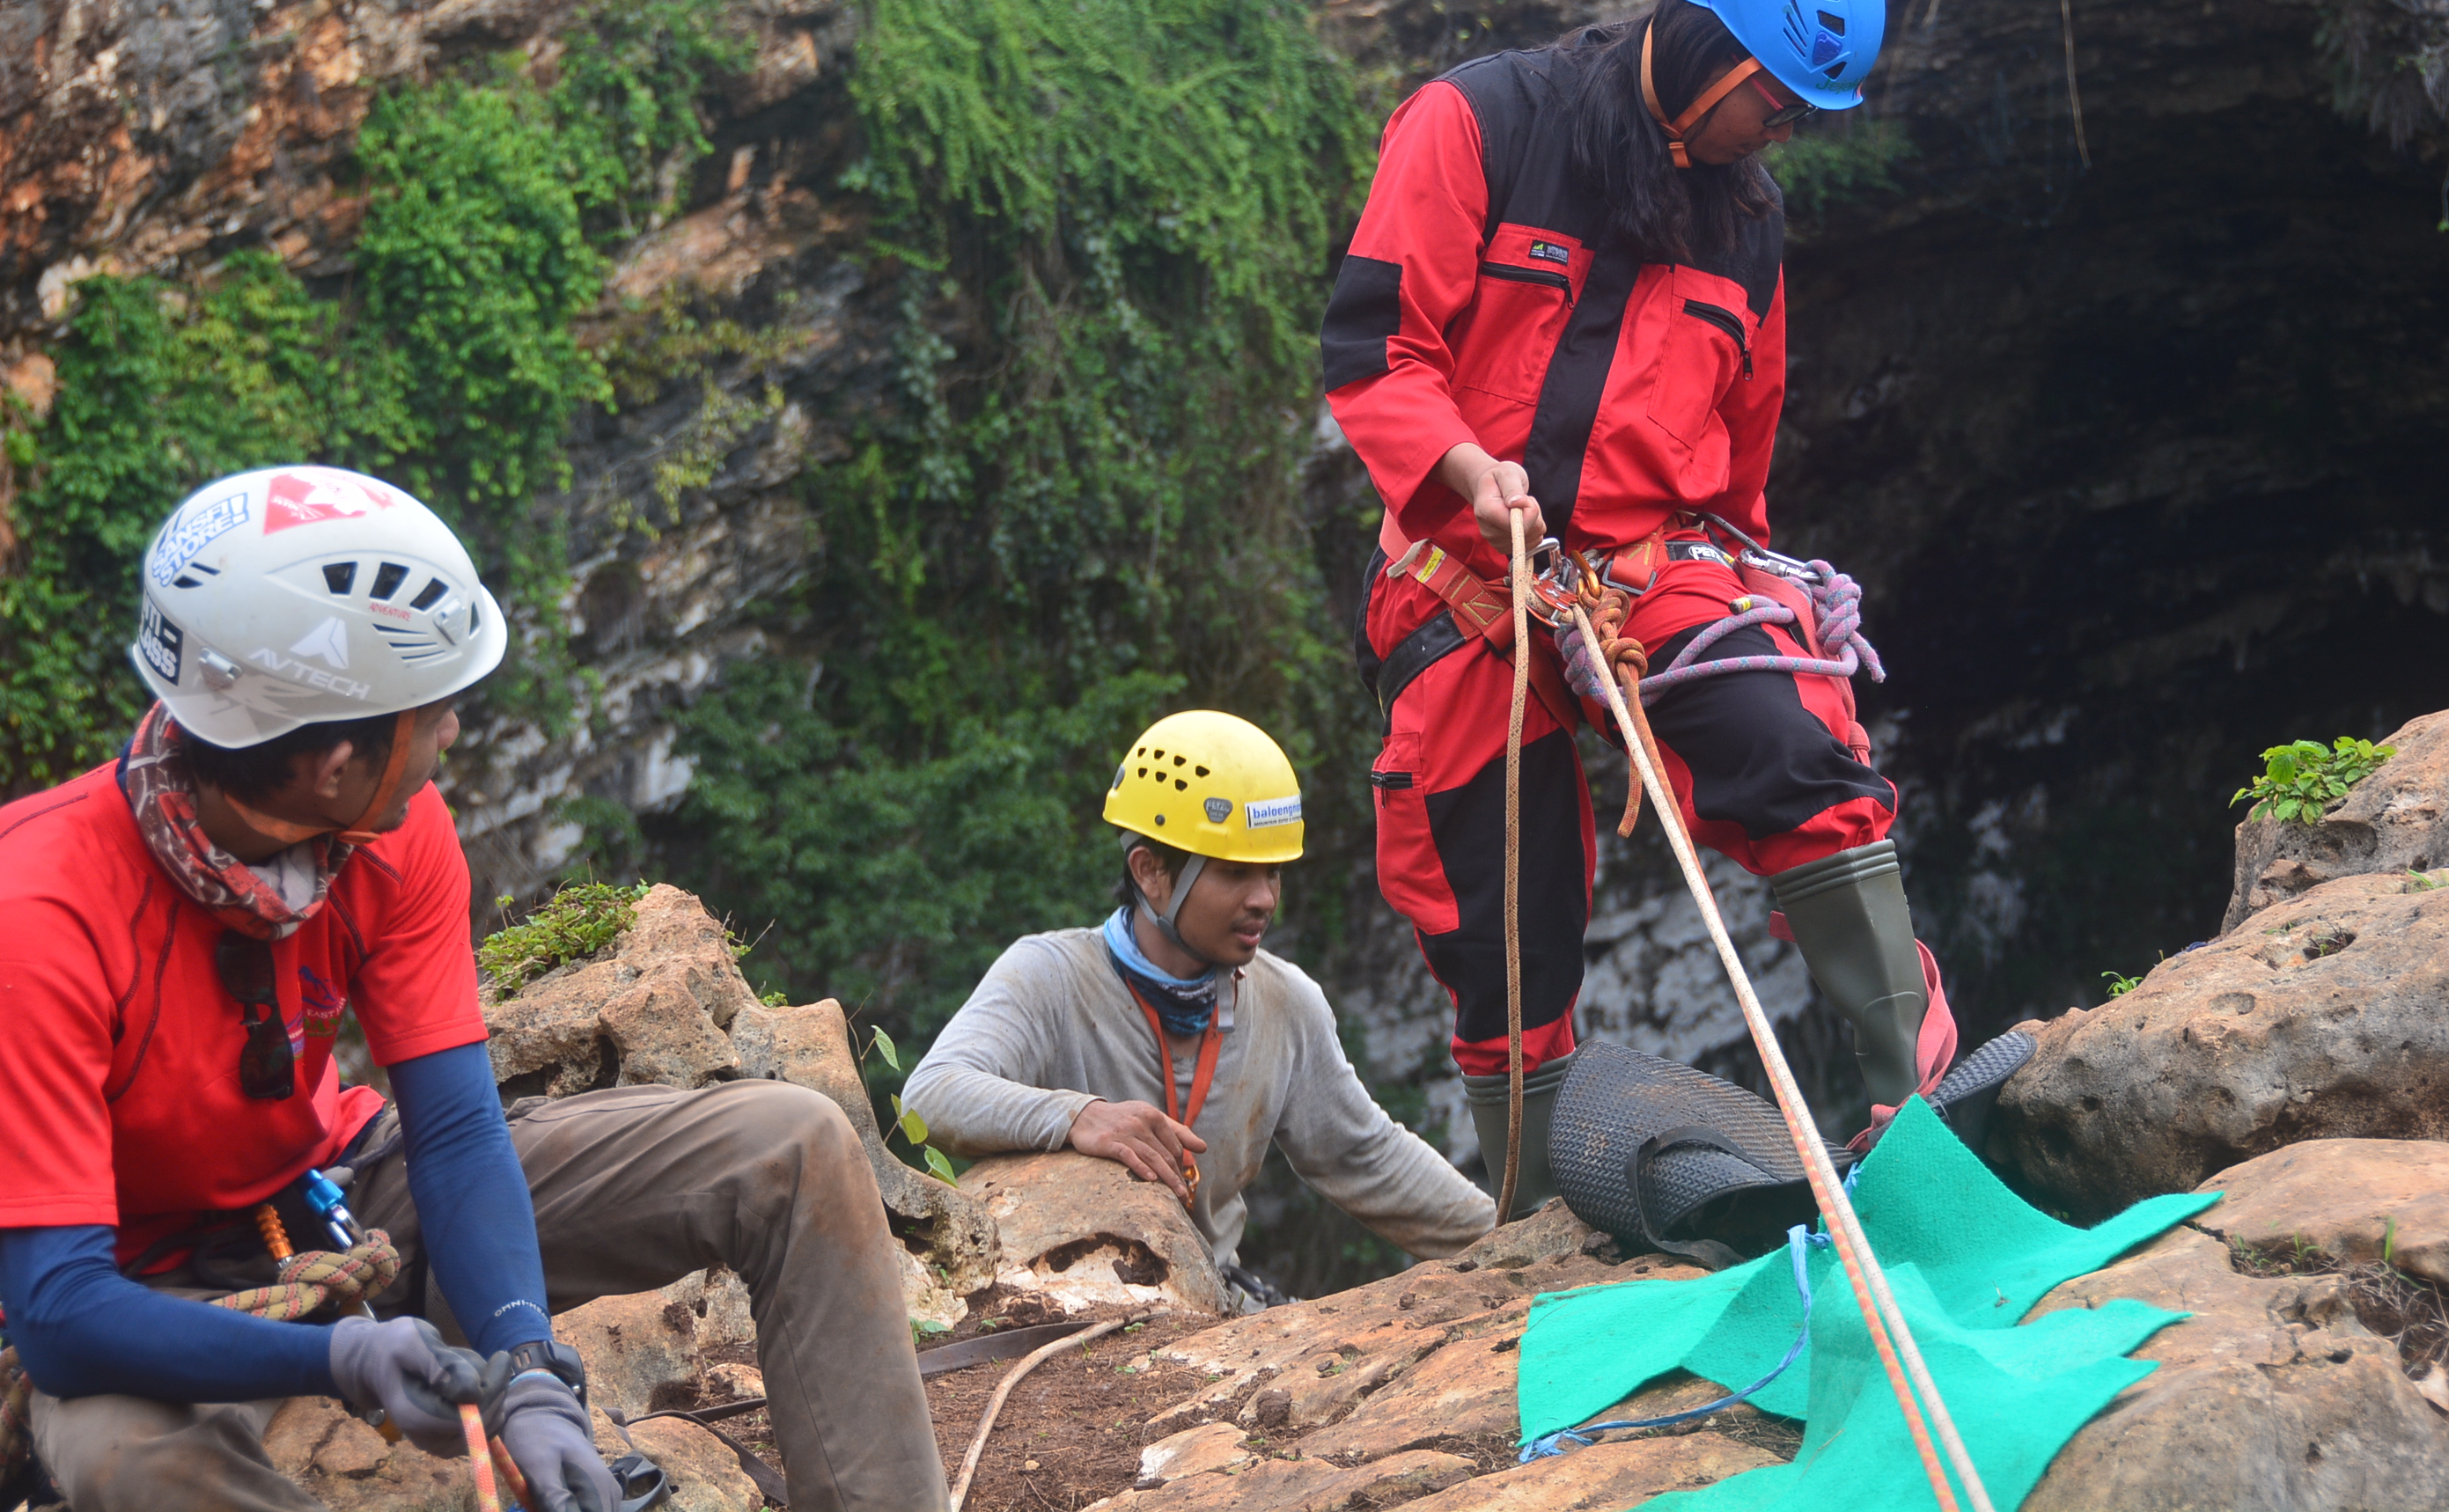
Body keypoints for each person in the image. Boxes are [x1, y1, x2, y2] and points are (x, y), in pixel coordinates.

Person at [0, 466, 946, 1512]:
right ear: (330, 760)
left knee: (792, 1146)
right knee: (138, 1462)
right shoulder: (38, 911)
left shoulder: (392, 834)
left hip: (336, 1194)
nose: (451, 731)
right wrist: (336, 1365)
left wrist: (527, 1366)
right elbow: (59, 1309)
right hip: (140, 1284)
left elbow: (453, 1131)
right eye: (432, 707)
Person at [1323, 0, 1993, 1214]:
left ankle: (1906, 1084)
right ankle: (1537, 1208)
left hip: (1638, 560)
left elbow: (1737, 476)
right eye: (1775, 98)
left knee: (1785, 721)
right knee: (1499, 909)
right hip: (1464, 565)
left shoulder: (1748, 226)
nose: (1781, 131)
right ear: (1705, 42)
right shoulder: (1481, 124)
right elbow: (1374, 350)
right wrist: (1465, 466)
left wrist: (1745, 589)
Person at [904, 710, 1493, 1305]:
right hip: (1067, 1300)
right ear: (1151, 871)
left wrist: (1510, 1236)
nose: (1263, 899)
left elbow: (1364, 1155)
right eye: (1236, 873)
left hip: (1213, 1302)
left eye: (1273, 873)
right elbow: (931, 1095)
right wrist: (1077, 1117)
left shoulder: (1285, 1003)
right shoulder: (1050, 977)